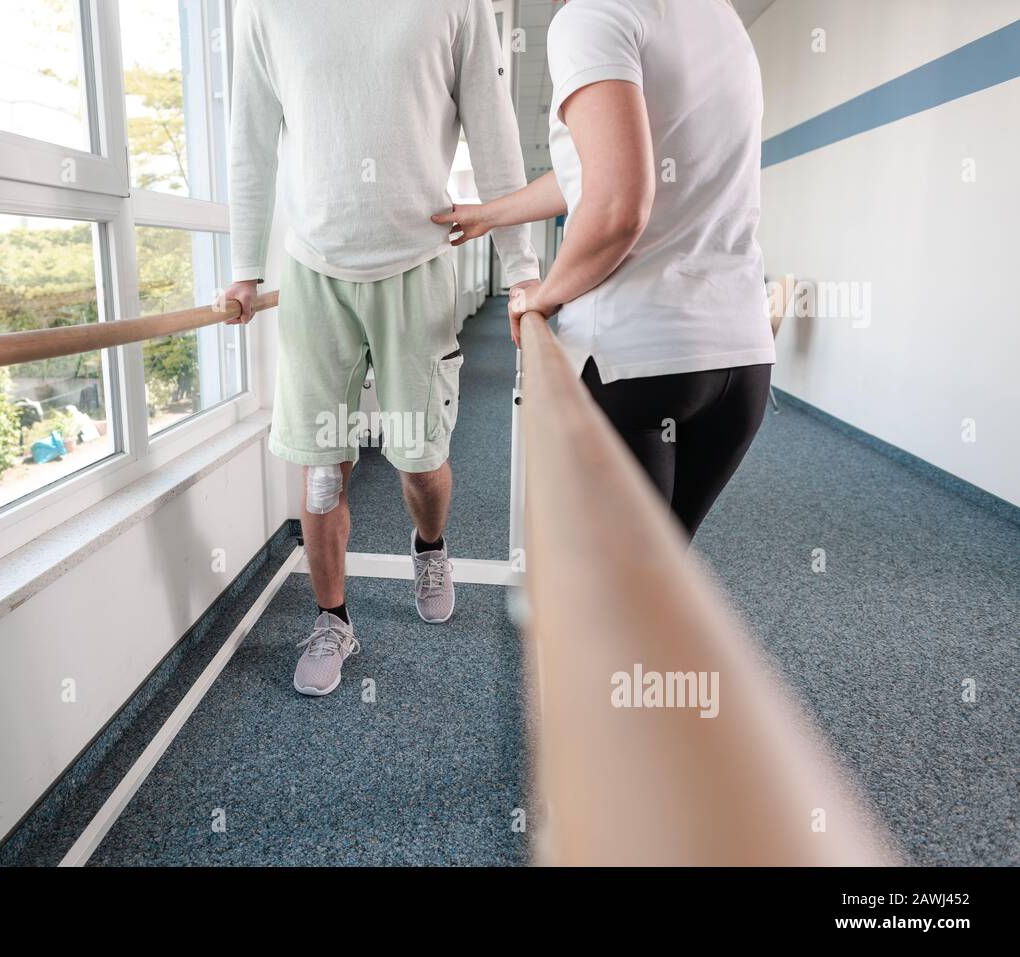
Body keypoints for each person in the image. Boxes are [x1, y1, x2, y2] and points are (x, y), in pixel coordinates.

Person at [223, 0, 541, 696]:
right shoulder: (265, 11)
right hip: (314, 271)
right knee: (321, 471)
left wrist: (522, 272)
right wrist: (246, 266)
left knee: (421, 463)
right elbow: (249, 136)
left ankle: (429, 548)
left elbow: (493, 131)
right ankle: (333, 618)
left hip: (417, 263)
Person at [435, 0, 776, 538]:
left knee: (615, 596)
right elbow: (598, 171)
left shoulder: (594, 16)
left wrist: (544, 294)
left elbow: (617, 207)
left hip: (636, 360)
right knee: (652, 581)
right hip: (740, 362)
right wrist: (490, 214)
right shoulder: (720, 18)